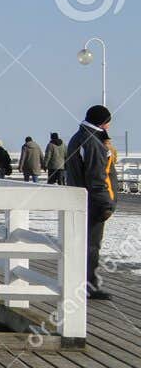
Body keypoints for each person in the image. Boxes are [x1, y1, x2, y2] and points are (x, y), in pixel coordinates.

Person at [66, 105, 118, 300]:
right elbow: (97, 177)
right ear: (103, 121)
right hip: (93, 202)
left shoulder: (79, 137)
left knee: (82, 244)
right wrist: (106, 204)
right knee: (91, 246)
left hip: (79, 198)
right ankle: (89, 287)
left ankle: (80, 283)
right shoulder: (92, 142)